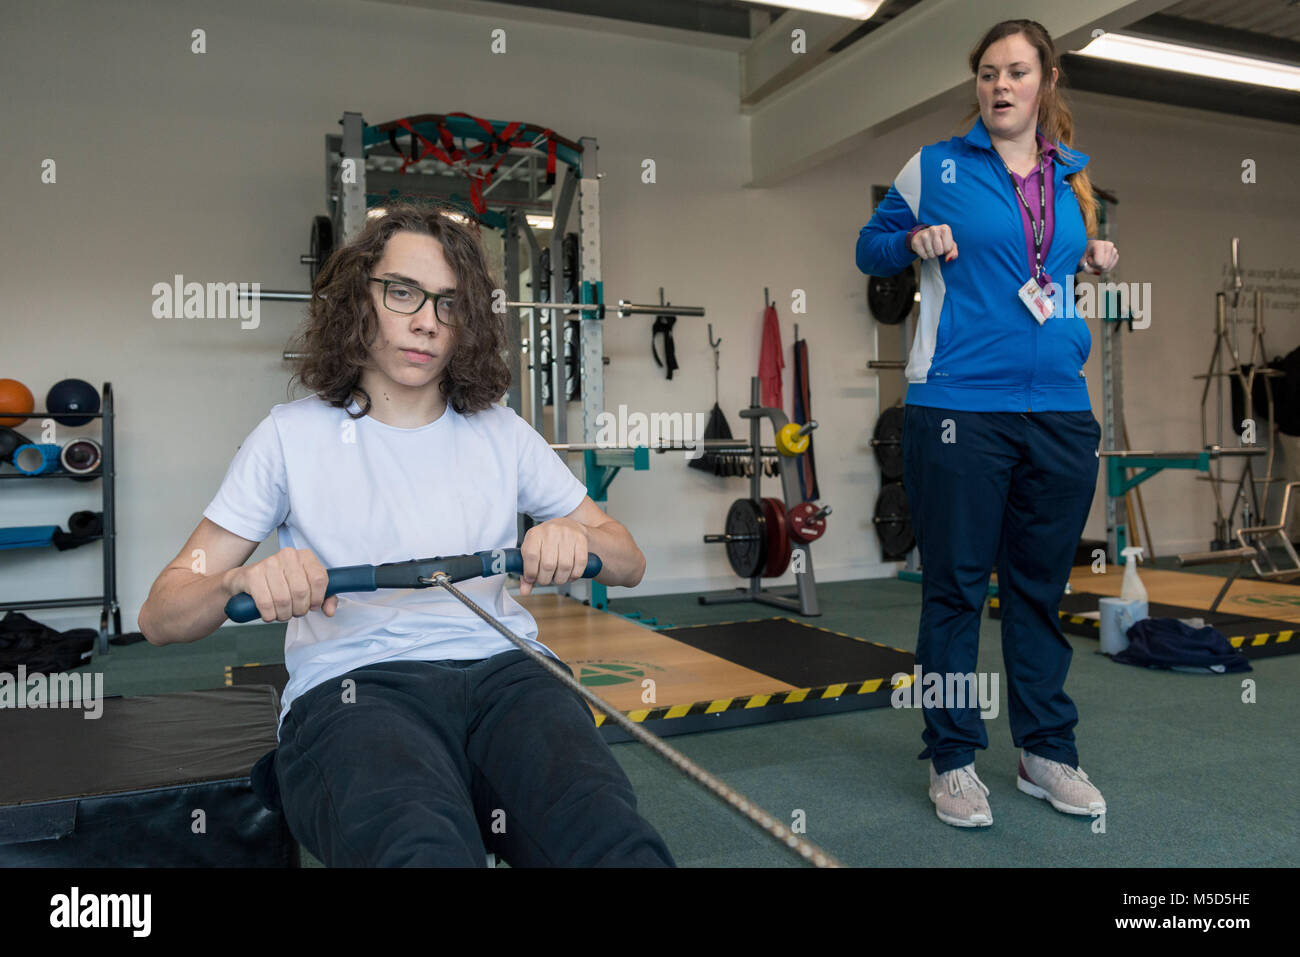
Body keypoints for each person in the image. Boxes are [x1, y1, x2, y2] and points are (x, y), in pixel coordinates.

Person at [138, 202, 675, 867]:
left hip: (509, 676)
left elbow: (628, 559)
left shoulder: (500, 431)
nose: (426, 320)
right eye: (403, 293)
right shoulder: (288, 436)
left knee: (613, 845)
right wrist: (235, 580)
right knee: (421, 851)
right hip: (359, 685)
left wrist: (578, 540)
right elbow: (161, 612)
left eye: (448, 304)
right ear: (357, 300)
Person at [856, 20, 1118, 828]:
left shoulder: (1070, 176)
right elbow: (870, 250)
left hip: (1059, 408)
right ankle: (953, 757)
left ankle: (1046, 750)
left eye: (1016, 72)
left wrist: (1096, 254)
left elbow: (1048, 261)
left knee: (1039, 592)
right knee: (956, 591)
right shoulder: (934, 165)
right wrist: (911, 237)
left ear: (1046, 81)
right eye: (987, 74)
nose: (1000, 86)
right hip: (959, 407)